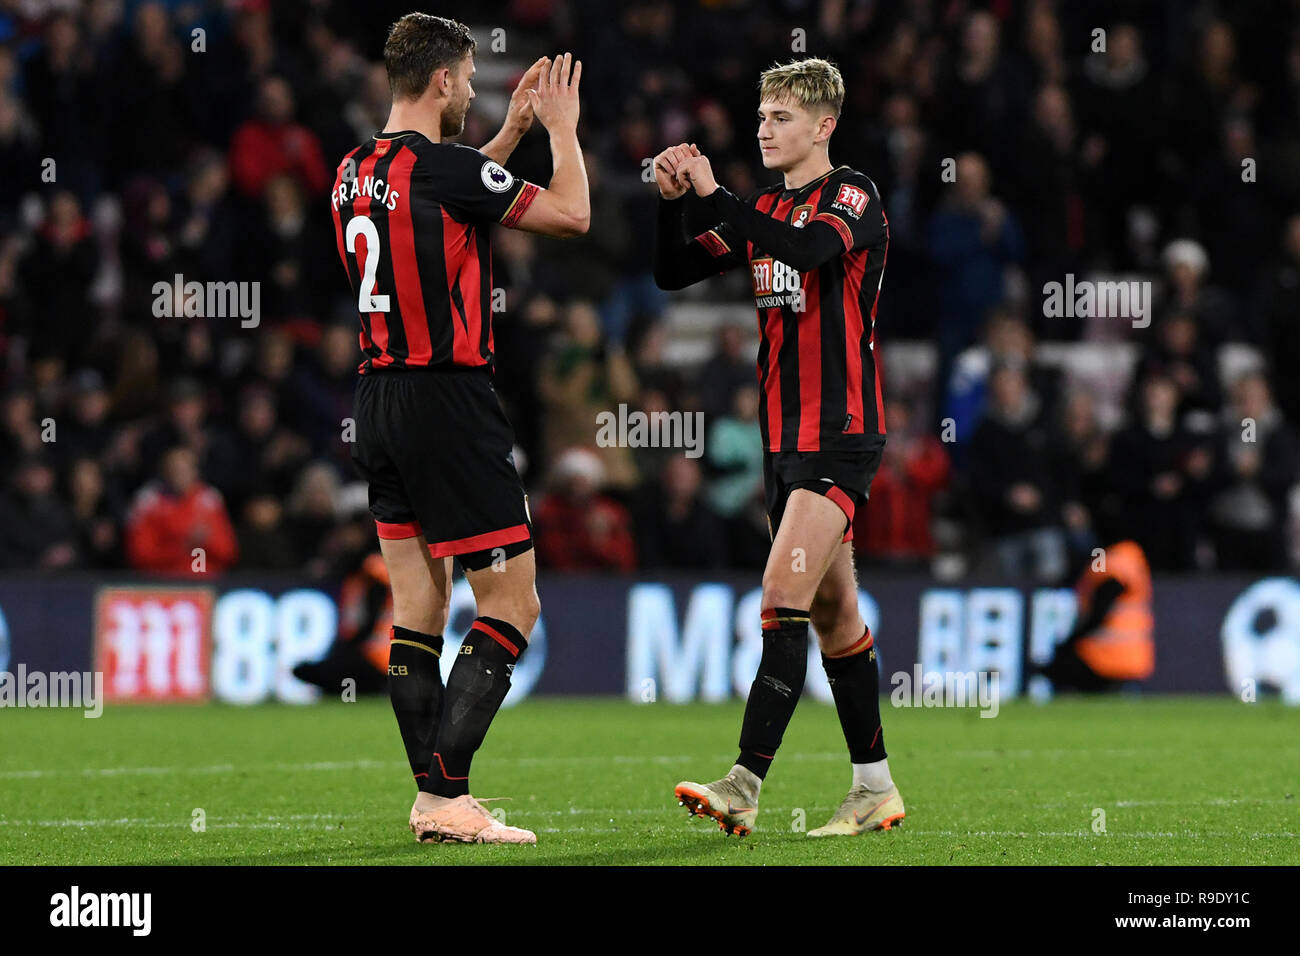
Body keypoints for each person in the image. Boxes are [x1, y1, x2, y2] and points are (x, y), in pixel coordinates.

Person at [328, 14, 589, 846]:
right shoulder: (443, 169)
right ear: (442, 80)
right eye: (472, 77)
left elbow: (443, 205)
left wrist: (507, 134)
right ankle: (446, 796)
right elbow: (574, 217)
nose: (476, 89)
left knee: (417, 606)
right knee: (513, 603)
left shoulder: (352, 172)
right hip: (449, 399)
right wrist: (560, 132)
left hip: (376, 400)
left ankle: (434, 800)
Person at [653, 58, 904, 838]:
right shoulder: (766, 208)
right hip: (781, 444)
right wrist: (674, 207)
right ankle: (875, 788)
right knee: (835, 620)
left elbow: (807, 254)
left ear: (824, 125)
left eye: (781, 117)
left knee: (779, 597)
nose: (764, 128)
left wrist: (712, 196)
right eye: (761, 116)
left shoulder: (851, 196)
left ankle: (743, 783)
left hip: (840, 438)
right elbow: (673, 272)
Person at [1039, 539, 1154, 693]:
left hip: (1104, 659)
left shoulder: (1114, 563)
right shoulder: (1131, 558)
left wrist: (1069, 643)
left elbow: (1098, 613)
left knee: (1054, 669)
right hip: (1132, 660)